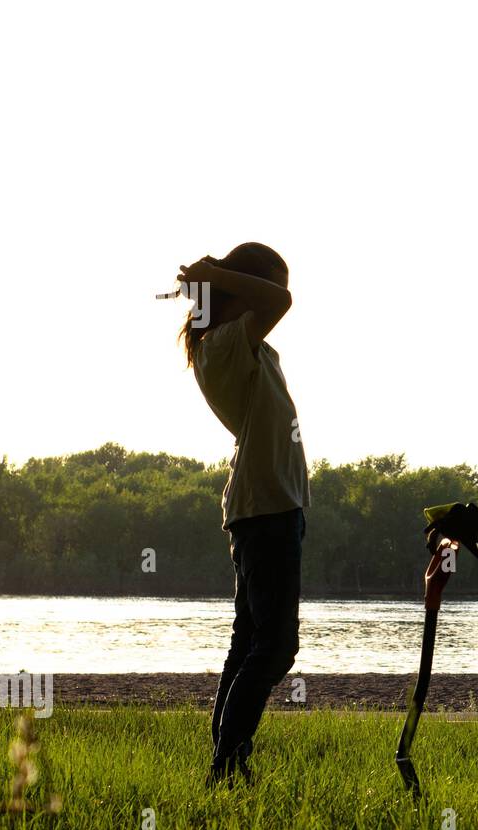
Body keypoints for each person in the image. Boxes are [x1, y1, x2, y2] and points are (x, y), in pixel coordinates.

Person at [177, 242, 308, 784]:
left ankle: (227, 761)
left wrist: (218, 280)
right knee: (275, 647)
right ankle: (229, 759)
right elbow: (281, 300)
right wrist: (217, 275)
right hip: (265, 511)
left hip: (271, 507)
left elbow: (273, 300)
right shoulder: (224, 345)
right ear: (239, 293)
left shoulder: (242, 344)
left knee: (250, 640)